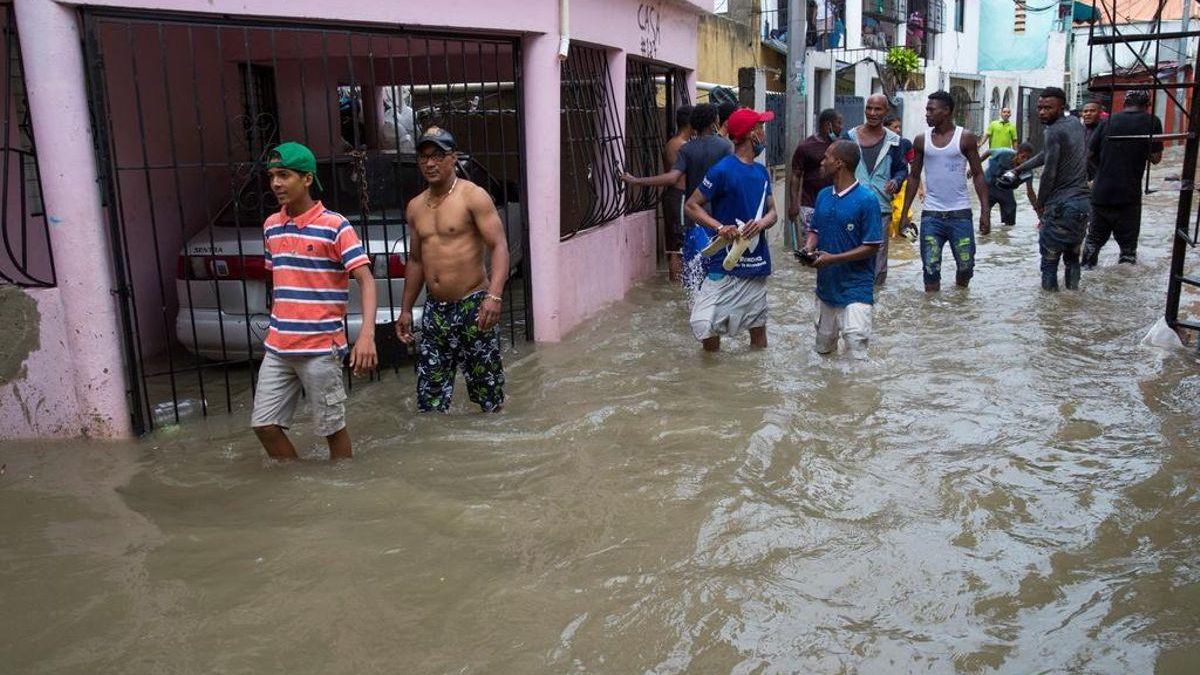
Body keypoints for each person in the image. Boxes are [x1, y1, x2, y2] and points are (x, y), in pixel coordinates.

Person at [250, 141, 377, 461]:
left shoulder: (335, 226)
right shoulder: (271, 227)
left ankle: (342, 489)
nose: (276, 183)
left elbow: (366, 279)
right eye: (272, 176)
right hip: (278, 347)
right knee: (264, 425)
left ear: (306, 179)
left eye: (284, 175)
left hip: (321, 348)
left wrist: (366, 336)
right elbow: (279, 280)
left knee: (331, 429)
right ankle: (296, 482)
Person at [396, 127, 510, 412]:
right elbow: (416, 260)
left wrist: (494, 296)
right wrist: (406, 309)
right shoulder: (415, 207)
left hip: (474, 306)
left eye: (438, 156)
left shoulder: (473, 197)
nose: (430, 164)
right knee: (430, 398)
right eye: (423, 158)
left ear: (453, 158)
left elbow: (499, 247)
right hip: (436, 311)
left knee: (489, 395)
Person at [685, 107, 778, 352]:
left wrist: (761, 223)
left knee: (758, 331)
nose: (764, 132)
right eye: (761, 127)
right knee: (705, 325)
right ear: (751, 134)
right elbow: (692, 205)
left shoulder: (761, 172)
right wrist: (720, 227)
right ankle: (711, 379)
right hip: (724, 265)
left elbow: (773, 212)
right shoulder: (722, 170)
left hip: (755, 265)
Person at [622, 104, 733, 286]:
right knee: (719, 269)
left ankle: (688, 308)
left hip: (694, 217)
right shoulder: (725, 146)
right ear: (715, 121)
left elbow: (672, 177)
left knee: (693, 271)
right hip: (719, 217)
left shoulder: (687, 149)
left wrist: (637, 181)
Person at [898, 91, 990, 292]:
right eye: (926, 110)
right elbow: (913, 177)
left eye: (931, 110)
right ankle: (931, 316)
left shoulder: (965, 138)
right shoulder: (921, 140)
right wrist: (904, 214)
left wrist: (985, 211)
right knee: (930, 269)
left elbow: (978, 175)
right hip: (931, 216)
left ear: (946, 111)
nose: (927, 114)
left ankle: (959, 304)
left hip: (961, 215)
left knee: (966, 267)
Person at [800, 140, 883, 358]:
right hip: (826, 289)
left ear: (839, 163)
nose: (822, 161)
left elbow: (872, 246)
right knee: (823, 352)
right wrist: (808, 248)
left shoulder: (867, 200)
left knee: (856, 351)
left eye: (826, 157)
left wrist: (833, 259)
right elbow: (815, 230)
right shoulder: (823, 196)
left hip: (857, 290)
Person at [1011, 87, 1091, 290]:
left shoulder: (1053, 131)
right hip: (1081, 205)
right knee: (1073, 258)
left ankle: (1050, 315)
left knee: (1049, 262)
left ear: (1061, 107)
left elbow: (1049, 172)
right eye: (1039, 108)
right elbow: (1046, 154)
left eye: (1048, 108)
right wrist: (1019, 169)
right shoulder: (1075, 123)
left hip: (1061, 206)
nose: (1042, 112)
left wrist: (1040, 204)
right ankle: (1071, 303)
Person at [1084, 90, 1163, 267]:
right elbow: (1156, 158)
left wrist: (1103, 169)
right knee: (1127, 251)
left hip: (1101, 192)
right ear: (1147, 106)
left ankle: (1082, 278)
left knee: (1093, 242)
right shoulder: (1152, 121)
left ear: (1124, 104)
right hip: (1129, 195)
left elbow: (1089, 154)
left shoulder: (1107, 121)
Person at [844, 94, 908, 285]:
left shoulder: (895, 141)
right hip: (851, 205)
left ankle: (875, 300)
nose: (872, 113)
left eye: (877, 109)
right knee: (850, 252)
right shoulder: (849, 137)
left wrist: (896, 181)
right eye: (869, 108)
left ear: (885, 112)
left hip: (881, 207)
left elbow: (902, 168)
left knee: (878, 257)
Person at [787, 108, 842, 255]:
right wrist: (793, 204)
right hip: (809, 204)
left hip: (834, 203)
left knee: (830, 245)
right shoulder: (805, 147)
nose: (841, 127)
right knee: (809, 248)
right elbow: (796, 175)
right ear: (828, 125)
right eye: (839, 123)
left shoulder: (840, 146)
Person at [660, 105, 693, 281]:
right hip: (678, 197)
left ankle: (677, 284)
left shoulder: (677, 143)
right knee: (677, 247)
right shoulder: (679, 145)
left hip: (678, 197)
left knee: (677, 244)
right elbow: (675, 177)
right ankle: (676, 286)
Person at [979, 142, 1036, 228]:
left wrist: (1039, 212)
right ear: (1017, 154)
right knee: (985, 213)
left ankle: (1005, 238)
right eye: (1023, 157)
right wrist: (975, 167)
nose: (1025, 161)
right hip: (989, 186)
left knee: (1010, 218)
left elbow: (1030, 192)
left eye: (1028, 158)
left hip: (1006, 191)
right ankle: (983, 235)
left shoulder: (1028, 171)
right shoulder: (1004, 153)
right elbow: (988, 152)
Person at [884, 114, 917, 237]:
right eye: (895, 127)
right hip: (883, 186)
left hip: (902, 186)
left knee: (903, 215)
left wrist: (920, 188)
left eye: (899, 127)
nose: (898, 130)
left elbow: (914, 167)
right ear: (885, 128)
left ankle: (909, 245)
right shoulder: (880, 144)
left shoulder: (905, 143)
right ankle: (894, 246)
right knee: (887, 218)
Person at [1080, 100, 1105, 183]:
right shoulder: (1078, 130)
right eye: (1085, 111)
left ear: (1100, 113)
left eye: (1092, 111)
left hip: (1098, 178)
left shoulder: (1105, 130)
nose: (1088, 114)